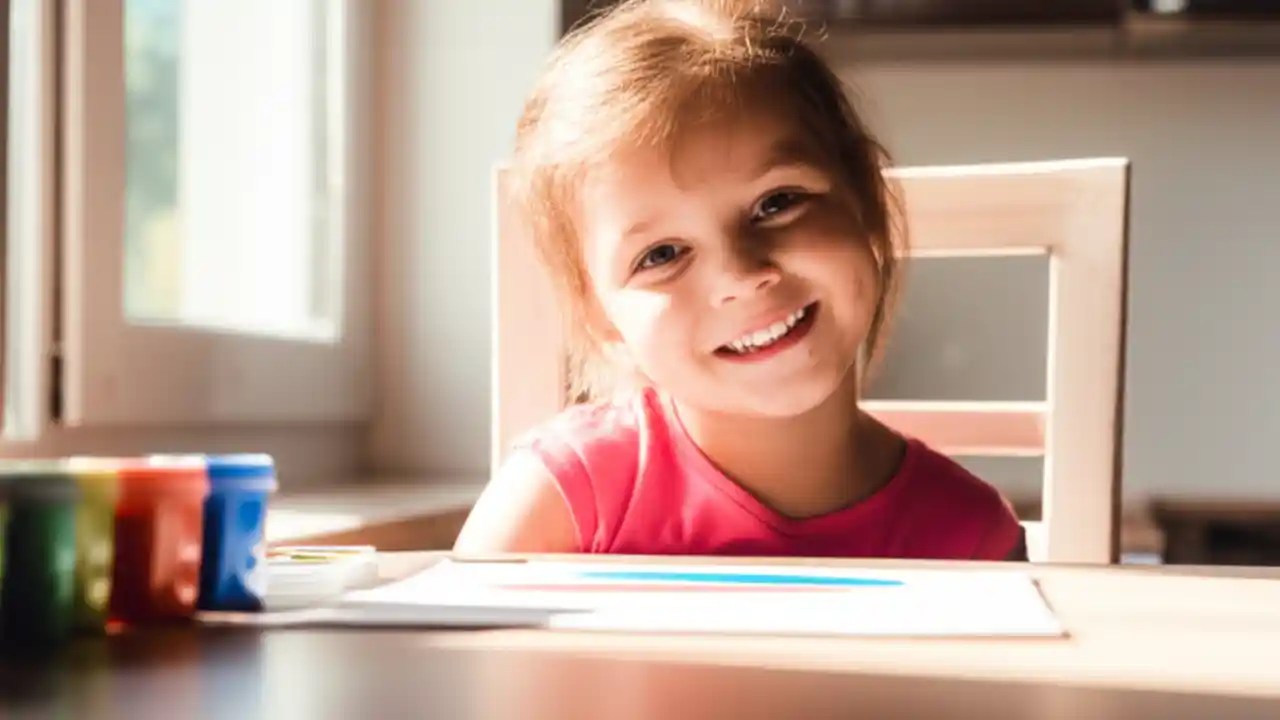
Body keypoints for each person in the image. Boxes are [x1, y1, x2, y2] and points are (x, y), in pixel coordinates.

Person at [455, 0, 1027, 561]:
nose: (742, 275)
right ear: (600, 319)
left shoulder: (973, 539)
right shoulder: (555, 506)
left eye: (777, 203)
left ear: (866, 201)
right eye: (662, 254)